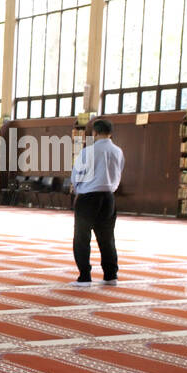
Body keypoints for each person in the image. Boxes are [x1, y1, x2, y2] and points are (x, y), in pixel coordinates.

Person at [70, 118, 123, 284]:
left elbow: (77, 175)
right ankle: (110, 275)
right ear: (110, 133)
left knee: (82, 238)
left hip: (88, 198)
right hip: (108, 197)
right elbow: (119, 172)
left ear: (95, 132)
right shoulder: (118, 151)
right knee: (107, 238)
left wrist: (78, 188)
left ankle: (85, 276)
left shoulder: (89, 151)